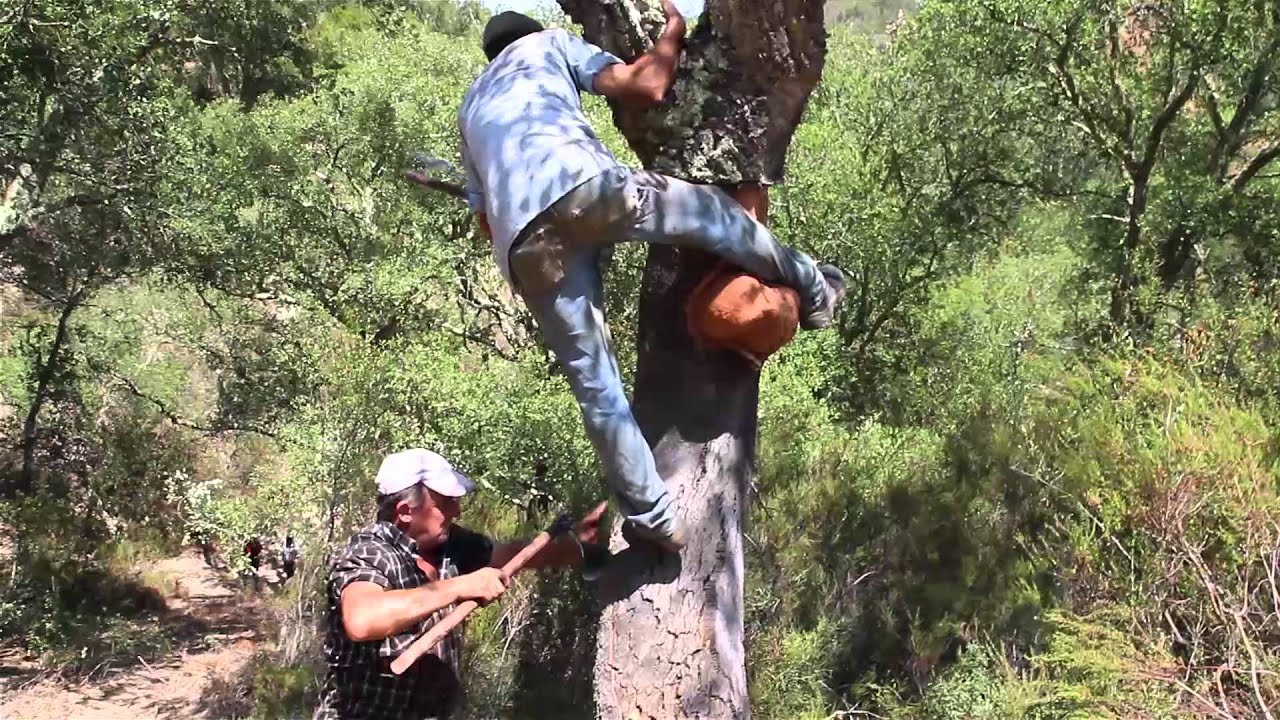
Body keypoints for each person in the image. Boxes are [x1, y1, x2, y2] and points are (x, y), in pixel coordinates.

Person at [455, 4, 847, 553]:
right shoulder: (547, 46)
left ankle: (652, 516)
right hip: (583, 185)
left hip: (523, 243)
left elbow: (484, 218)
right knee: (716, 221)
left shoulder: (470, 105)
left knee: (595, 384)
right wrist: (672, 35)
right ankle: (813, 287)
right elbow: (645, 86)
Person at [314, 448, 604, 720]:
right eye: (446, 503)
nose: (457, 511)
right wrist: (459, 586)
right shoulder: (369, 552)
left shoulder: (454, 545)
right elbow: (363, 619)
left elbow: (512, 555)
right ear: (404, 511)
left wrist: (577, 545)